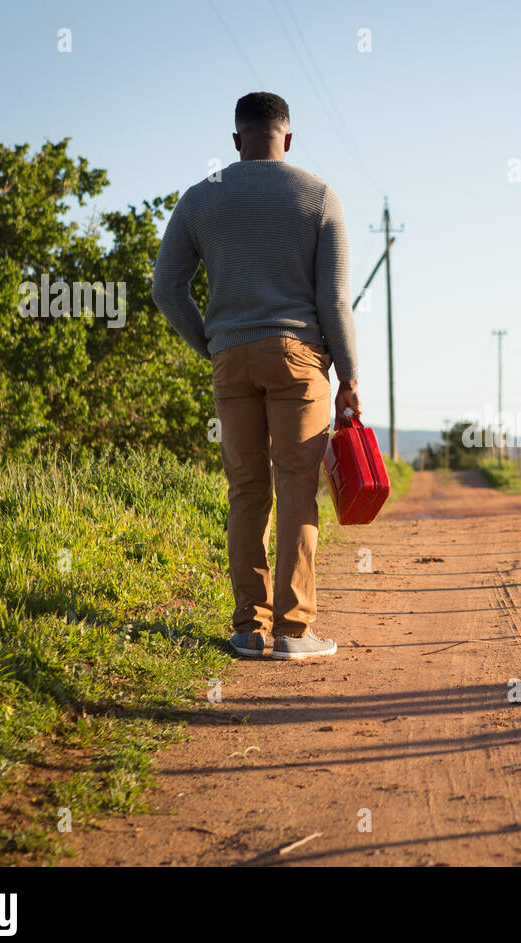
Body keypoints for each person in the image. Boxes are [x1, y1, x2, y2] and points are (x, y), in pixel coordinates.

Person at [153, 91, 360, 661]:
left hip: (231, 358)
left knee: (246, 489)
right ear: (288, 139)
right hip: (298, 358)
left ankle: (248, 628)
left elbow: (165, 289)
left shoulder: (200, 199)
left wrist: (212, 345)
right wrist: (349, 376)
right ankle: (294, 633)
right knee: (296, 487)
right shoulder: (318, 196)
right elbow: (334, 300)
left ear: (236, 139)